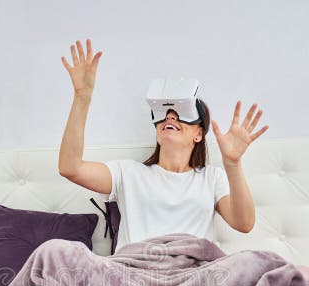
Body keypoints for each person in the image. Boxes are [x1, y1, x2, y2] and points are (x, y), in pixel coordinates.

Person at [58, 38, 269, 253]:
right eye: (165, 114)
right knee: (54, 252)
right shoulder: (128, 173)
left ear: (198, 134)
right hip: (136, 272)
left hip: (192, 274)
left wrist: (232, 164)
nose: (170, 117)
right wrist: (81, 98)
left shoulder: (212, 178)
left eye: (180, 114)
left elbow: (244, 224)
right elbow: (70, 167)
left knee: (258, 260)